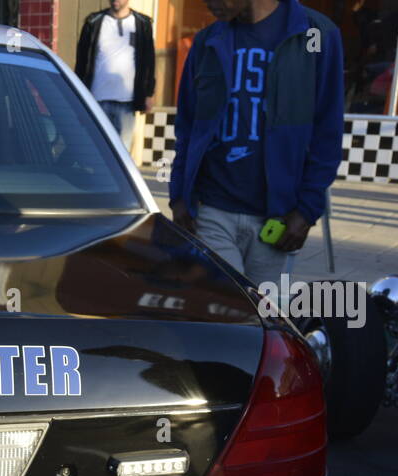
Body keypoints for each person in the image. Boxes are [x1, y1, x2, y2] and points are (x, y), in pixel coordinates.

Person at [169, 0, 344, 291]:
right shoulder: (208, 40)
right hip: (212, 210)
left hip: (277, 221)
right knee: (228, 304)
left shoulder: (315, 35)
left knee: (262, 320)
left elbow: (328, 129)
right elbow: (188, 124)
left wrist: (307, 210)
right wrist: (179, 194)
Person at [75, 0, 155, 152]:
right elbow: (82, 61)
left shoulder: (142, 23)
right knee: (96, 149)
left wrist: (149, 93)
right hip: (97, 98)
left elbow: (149, 60)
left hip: (128, 101)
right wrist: (79, 93)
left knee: (122, 151)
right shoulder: (94, 21)